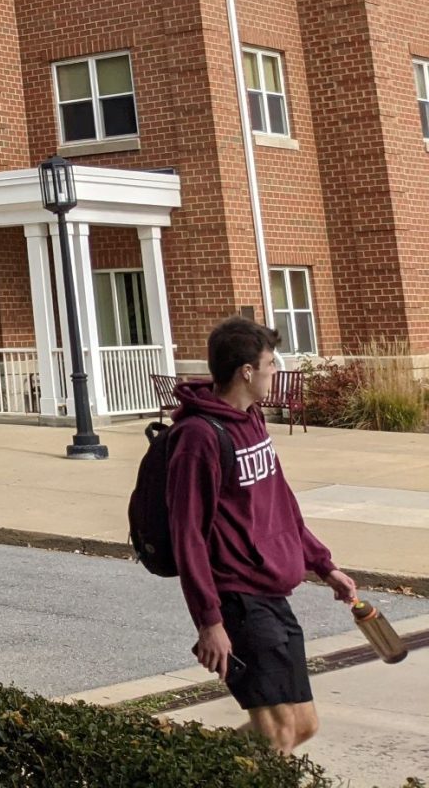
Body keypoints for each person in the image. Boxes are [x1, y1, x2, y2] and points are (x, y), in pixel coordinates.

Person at [166, 316, 355, 754]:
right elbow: (188, 536)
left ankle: (194, 768)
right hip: (237, 599)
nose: (275, 371)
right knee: (276, 734)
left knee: (303, 725)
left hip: (272, 595)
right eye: (270, 363)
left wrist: (325, 566)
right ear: (246, 371)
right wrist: (210, 622)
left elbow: (280, 504)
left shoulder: (251, 420)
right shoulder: (199, 437)